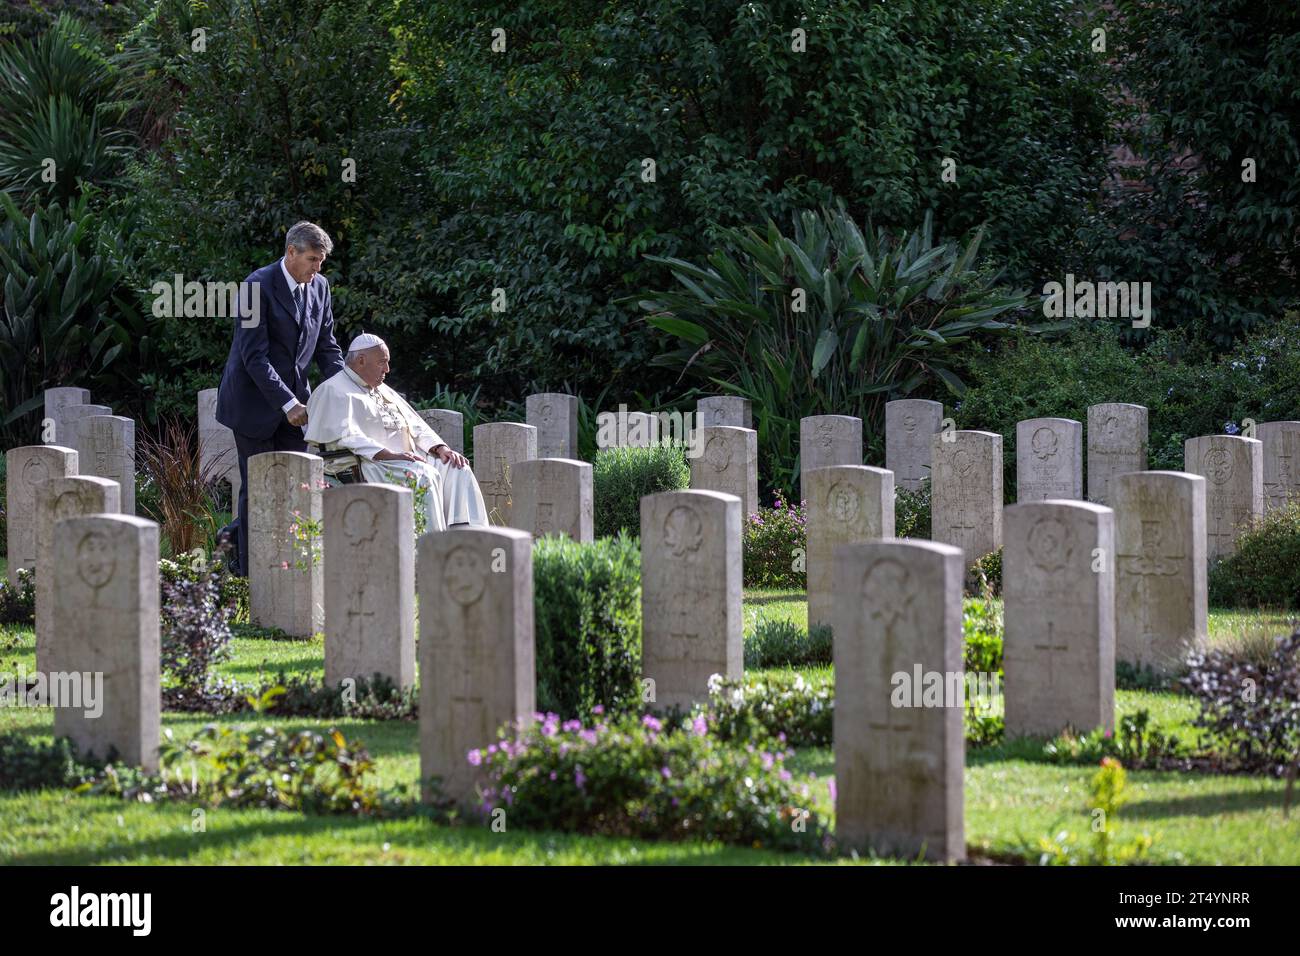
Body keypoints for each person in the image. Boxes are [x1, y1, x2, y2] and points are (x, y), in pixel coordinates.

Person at [215, 221, 345, 576]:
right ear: (291, 252)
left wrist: (348, 389)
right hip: (253, 405)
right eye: (313, 259)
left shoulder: (319, 287)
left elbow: (326, 346)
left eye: (321, 261)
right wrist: (288, 404)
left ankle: (275, 564)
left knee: (293, 487)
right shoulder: (256, 287)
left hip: (297, 406)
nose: (318, 268)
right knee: (258, 488)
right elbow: (253, 357)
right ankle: (246, 574)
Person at [305, 333, 488, 530]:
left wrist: (441, 448)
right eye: (382, 362)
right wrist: (390, 455)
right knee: (422, 475)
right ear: (361, 361)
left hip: (407, 459)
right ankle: (429, 547)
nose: (387, 369)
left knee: (456, 467)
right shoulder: (333, 390)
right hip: (370, 463)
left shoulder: (383, 389)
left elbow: (415, 424)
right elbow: (347, 436)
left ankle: (465, 536)